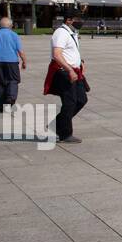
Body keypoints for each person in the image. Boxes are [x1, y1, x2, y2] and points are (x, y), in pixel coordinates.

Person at [44, 13, 87, 144]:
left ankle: (57, 124)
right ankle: (65, 134)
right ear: (69, 20)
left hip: (75, 70)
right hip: (64, 72)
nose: (80, 22)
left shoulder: (71, 32)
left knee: (81, 99)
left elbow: (70, 52)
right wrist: (69, 70)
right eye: (77, 19)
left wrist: (80, 62)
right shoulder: (61, 33)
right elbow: (57, 54)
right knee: (70, 102)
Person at [0, 15, 27, 113]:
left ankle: (1, 105)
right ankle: (10, 98)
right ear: (11, 26)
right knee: (13, 80)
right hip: (12, 62)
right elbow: (20, 51)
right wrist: (24, 61)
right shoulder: (14, 35)